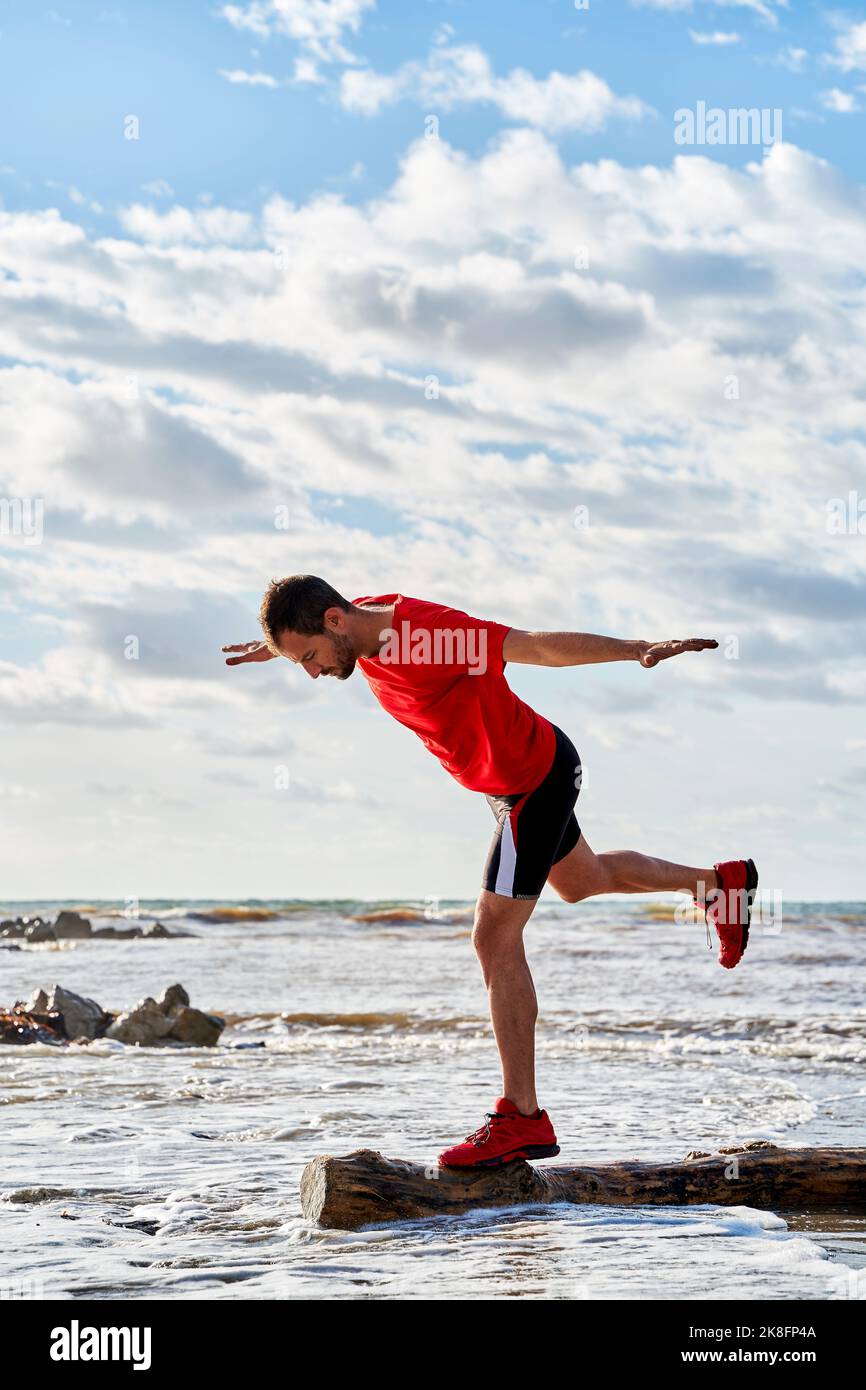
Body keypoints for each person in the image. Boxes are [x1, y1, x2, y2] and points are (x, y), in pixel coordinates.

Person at [224, 575, 758, 1169]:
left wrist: (634, 649)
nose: (312, 673)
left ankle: (522, 1117)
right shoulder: (353, 621)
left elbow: (535, 645)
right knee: (583, 882)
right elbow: (314, 602)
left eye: (309, 658)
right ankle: (717, 884)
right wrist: (275, 650)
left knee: (493, 936)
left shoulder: (430, 637)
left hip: (533, 780)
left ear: (334, 623)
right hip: (518, 780)